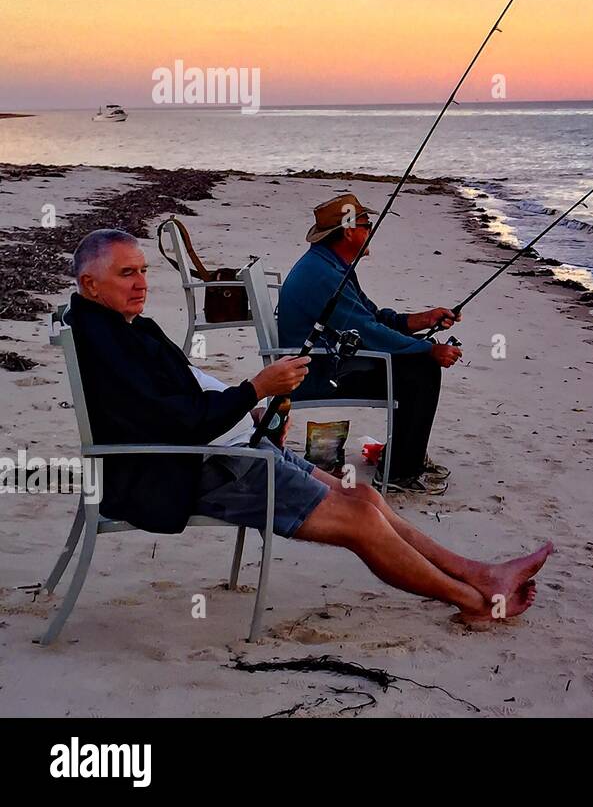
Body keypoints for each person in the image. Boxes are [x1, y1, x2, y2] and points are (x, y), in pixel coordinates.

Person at [66, 228, 549, 620]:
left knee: (364, 495)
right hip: (183, 472)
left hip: (217, 450)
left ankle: (481, 576)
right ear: (90, 285)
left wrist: (252, 410)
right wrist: (256, 388)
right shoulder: (106, 344)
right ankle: (474, 603)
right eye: (126, 274)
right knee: (360, 521)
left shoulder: (127, 328)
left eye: (144, 271)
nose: (141, 283)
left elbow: (180, 405)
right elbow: (181, 424)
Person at [277, 193, 463, 493]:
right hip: (316, 375)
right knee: (422, 369)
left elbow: (372, 317)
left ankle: (403, 457)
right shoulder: (325, 275)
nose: (370, 231)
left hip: (324, 361)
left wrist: (423, 320)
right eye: (367, 224)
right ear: (349, 230)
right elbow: (369, 333)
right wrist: (430, 349)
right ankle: (400, 473)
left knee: (416, 360)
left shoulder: (328, 265)